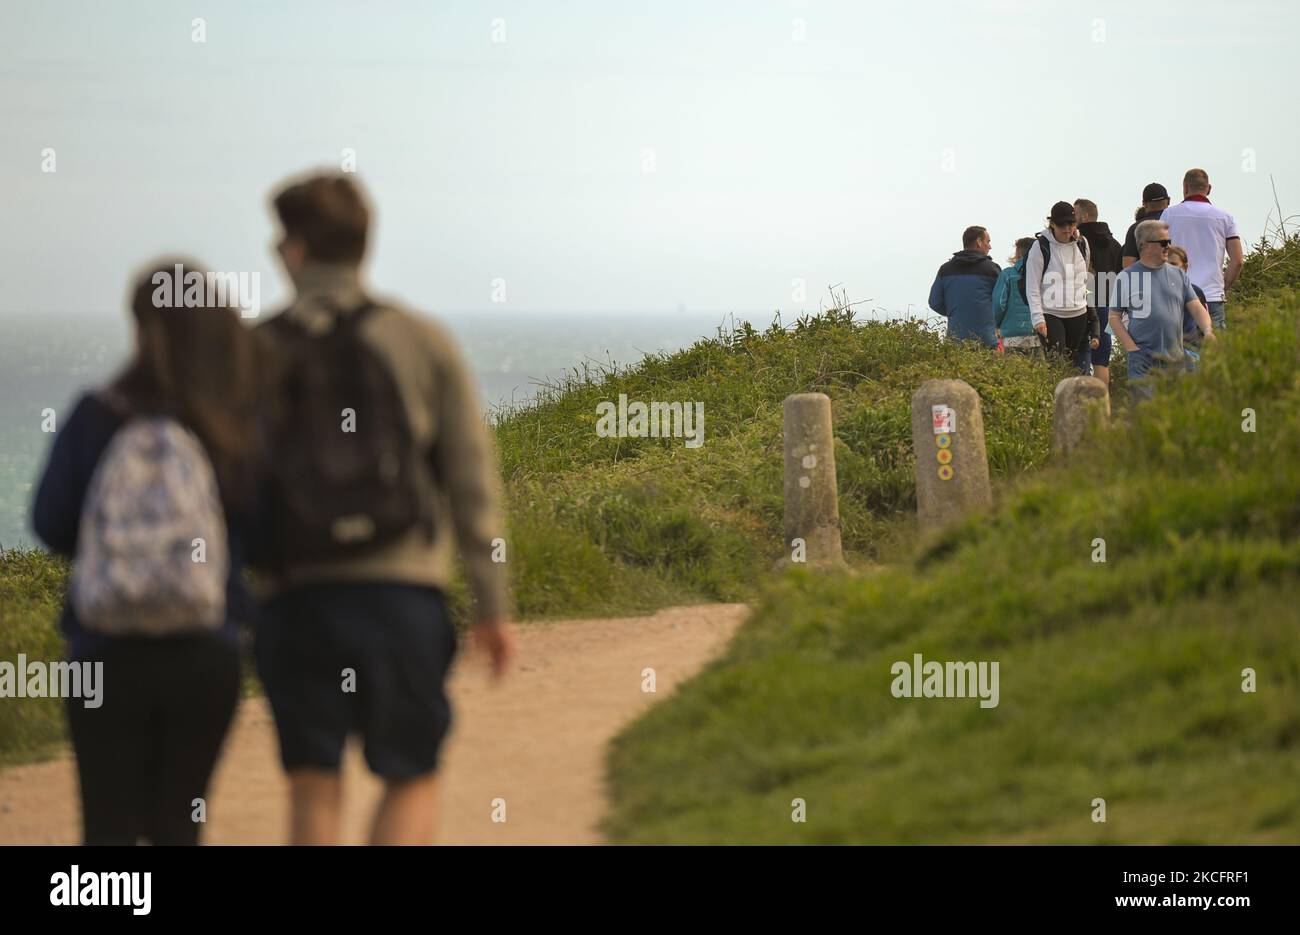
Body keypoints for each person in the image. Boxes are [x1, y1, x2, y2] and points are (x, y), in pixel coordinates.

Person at [253, 172, 516, 846]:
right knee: (411, 774)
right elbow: (471, 482)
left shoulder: (254, 350)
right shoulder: (421, 339)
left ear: (299, 250)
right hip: (402, 595)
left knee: (315, 784)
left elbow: (228, 486)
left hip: (295, 599)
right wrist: (492, 602)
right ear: (364, 247)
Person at [31, 259, 262, 844]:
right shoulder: (229, 422)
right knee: (179, 824)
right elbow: (261, 527)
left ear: (139, 325)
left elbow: (50, 523)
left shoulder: (95, 414)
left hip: (104, 652)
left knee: (106, 830)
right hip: (206, 653)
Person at [1109, 220, 1215, 401]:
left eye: (1169, 241)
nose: (1169, 247)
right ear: (1146, 245)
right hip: (1142, 359)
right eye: (1164, 242)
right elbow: (1114, 316)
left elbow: (1196, 307)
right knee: (1145, 416)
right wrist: (1131, 348)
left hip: (1175, 357)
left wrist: (1208, 330)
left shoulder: (1178, 274)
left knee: (1175, 414)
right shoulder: (1127, 276)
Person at [1160, 168, 1243, 331]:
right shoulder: (1225, 218)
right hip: (1212, 295)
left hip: (1177, 294)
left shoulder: (1169, 215)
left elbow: (1159, 253)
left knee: (1179, 350)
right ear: (1209, 189)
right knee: (1215, 353)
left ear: (1185, 187)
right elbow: (1238, 261)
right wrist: (1222, 287)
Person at [1025, 202, 1099, 367]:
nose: (1067, 229)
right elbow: (1032, 285)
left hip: (1078, 312)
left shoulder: (1082, 243)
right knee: (1057, 364)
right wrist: (1038, 318)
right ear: (1052, 224)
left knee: (1071, 363)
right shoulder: (1040, 247)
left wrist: (1088, 306)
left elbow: (1083, 277)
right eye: (1061, 225)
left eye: (1071, 224)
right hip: (1051, 313)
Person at [1074, 198, 1123, 387]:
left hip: (1082, 302)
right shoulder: (1114, 243)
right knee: (1102, 358)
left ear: (1085, 216)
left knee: (1079, 353)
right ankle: (1102, 405)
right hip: (1106, 302)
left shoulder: (1078, 242)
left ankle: (1080, 403)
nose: (1072, 220)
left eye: (1075, 214)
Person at [928, 225, 1000, 348]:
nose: (990, 246)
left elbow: (934, 302)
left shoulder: (945, 269)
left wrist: (955, 312)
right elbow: (1003, 301)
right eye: (988, 242)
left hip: (955, 340)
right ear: (979, 242)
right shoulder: (992, 269)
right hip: (986, 339)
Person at [992, 237, 1040, 355]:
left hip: (1011, 336)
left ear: (1018, 253)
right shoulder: (1042, 275)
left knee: (1012, 372)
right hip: (1037, 335)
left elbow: (999, 303)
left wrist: (997, 324)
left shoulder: (1007, 275)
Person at [1166, 244, 1208, 369]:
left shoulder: (1196, 292)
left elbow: (1203, 327)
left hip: (1190, 352)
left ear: (1185, 267)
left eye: (1173, 264)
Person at [1122, 183, 1171, 269]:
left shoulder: (1135, 228)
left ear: (1144, 203)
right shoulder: (1174, 222)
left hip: (1146, 280)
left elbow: (1128, 265)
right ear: (1169, 200)